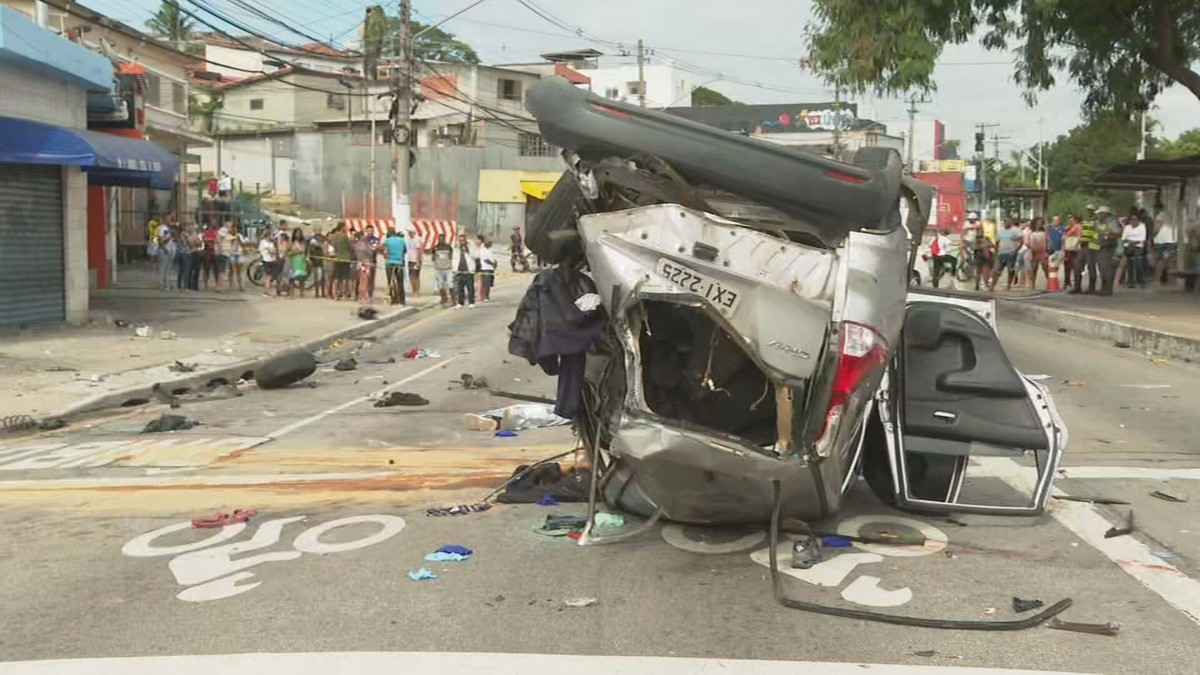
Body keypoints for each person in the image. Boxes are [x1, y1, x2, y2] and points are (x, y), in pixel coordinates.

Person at [1093, 206, 1121, 296]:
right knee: (1102, 269)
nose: (1098, 215)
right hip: (1100, 247)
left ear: (1105, 214)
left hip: (1108, 248)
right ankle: (1104, 288)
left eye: (1100, 214)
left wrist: (1108, 234)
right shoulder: (1099, 223)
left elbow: (1117, 233)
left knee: (1107, 269)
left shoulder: (1111, 222)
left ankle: (1107, 289)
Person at [990, 219, 1021, 292]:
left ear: (1011, 223)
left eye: (1009, 222)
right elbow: (997, 242)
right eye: (1006, 222)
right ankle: (992, 286)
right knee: (996, 270)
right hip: (1001, 253)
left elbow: (1021, 241)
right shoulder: (1000, 231)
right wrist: (996, 251)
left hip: (1011, 253)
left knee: (1010, 270)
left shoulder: (1015, 230)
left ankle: (1009, 285)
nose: (1007, 224)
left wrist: (1016, 250)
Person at [1121, 212, 1148, 289]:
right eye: (1131, 219)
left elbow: (1142, 239)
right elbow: (1124, 238)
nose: (1132, 221)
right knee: (1129, 265)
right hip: (1128, 247)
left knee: (1138, 265)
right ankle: (1130, 282)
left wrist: (1132, 242)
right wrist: (1129, 242)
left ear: (1138, 220)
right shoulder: (1127, 227)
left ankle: (1141, 281)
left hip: (1138, 247)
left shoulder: (1142, 227)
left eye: (1134, 219)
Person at [452, 232, 478, 309]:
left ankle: (471, 302)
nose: (461, 242)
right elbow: (454, 259)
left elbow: (476, 256)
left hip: (468, 271)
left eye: (463, 240)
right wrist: (454, 268)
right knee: (460, 288)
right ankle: (460, 303)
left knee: (470, 288)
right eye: (460, 240)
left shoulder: (471, 247)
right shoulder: (456, 248)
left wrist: (468, 250)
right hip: (459, 271)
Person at [329, 222, 353, 301]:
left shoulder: (333, 236)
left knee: (336, 278)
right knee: (345, 278)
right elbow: (350, 247)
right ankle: (344, 295)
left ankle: (336, 295)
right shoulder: (344, 236)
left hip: (336, 258)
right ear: (342, 227)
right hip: (345, 258)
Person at [1153, 210, 1177, 286]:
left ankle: (1157, 280)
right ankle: (1171, 280)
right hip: (1172, 240)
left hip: (1162, 241)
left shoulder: (1160, 215)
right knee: (1169, 260)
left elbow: (1156, 228)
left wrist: (1152, 237)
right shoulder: (1173, 216)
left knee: (1160, 261)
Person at [384, 228, 407, 306]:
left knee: (391, 282)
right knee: (400, 282)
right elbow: (405, 251)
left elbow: (383, 250)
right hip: (399, 263)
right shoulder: (402, 240)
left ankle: (393, 300)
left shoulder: (387, 240)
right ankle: (402, 300)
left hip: (389, 263)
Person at [1026, 218, 1050, 289]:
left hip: (1043, 252)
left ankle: (1049, 282)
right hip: (1033, 252)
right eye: (1038, 222)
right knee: (1033, 268)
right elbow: (1027, 242)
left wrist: (1048, 250)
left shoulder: (1044, 232)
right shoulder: (1030, 232)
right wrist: (1031, 248)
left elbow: (1047, 240)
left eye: (1041, 223)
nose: (1039, 224)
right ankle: (1033, 284)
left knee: (1045, 267)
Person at [431, 234, 454, 307]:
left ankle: (453, 299)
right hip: (439, 269)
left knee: (450, 283)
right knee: (440, 285)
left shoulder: (448, 247)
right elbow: (433, 258)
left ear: (444, 239)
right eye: (440, 239)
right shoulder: (435, 248)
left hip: (448, 269)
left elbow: (451, 257)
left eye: (442, 239)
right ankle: (444, 298)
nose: (441, 240)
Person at [353, 230, 375, 303]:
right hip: (366, 263)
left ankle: (361, 296)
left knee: (361, 281)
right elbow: (370, 253)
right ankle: (363, 297)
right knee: (365, 281)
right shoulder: (365, 245)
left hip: (359, 263)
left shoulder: (357, 245)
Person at [1062, 215, 1082, 292]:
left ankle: (1075, 284)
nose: (1070, 221)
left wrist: (1076, 244)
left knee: (1074, 266)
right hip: (1068, 248)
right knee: (1067, 265)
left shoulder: (1077, 226)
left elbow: (1079, 236)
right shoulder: (1069, 227)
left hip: (1073, 248)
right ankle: (1067, 282)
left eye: (1072, 219)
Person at [288, 228, 309, 298]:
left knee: (302, 278)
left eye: (299, 233)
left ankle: (302, 293)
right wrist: (296, 252)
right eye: (297, 233)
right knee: (292, 278)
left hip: (301, 261)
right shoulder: (291, 242)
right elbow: (288, 253)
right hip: (294, 261)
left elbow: (305, 252)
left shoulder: (303, 242)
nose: (298, 235)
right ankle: (292, 293)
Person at [258, 229, 278, 297]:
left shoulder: (271, 243)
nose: (272, 236)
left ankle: (266, 290)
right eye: (271, 235)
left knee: (271, 277)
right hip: (266, 260)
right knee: (267, 277)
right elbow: (260, 251)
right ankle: (267, 291)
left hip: (272, 260)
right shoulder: (263, 242)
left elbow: (274, 251)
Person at [308, 231, 327, 298]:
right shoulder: (312, 246)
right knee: (316, 279)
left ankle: (323, 293)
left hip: (322, 263)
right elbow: (311, 254)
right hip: (316, 263)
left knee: (323, 279)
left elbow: (325, 253)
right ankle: (317, 293)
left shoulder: (323, 245)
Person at [157, 225, 177, 290]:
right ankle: (161, 283)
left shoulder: (170, 228)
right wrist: (164, 248)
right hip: (164, 250)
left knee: (168, 268)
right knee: (163, 267)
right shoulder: (162, 228)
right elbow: (160, 239)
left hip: (170, 251)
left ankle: (167, 283)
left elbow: (174, 239)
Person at [405, 229, 424, 298]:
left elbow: (419, 251)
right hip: (410, 260)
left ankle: (417, 292)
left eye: (410, 232)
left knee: (416, 276)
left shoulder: (417, 239)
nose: (409, 233)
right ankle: (413, 290)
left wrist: (418, 261)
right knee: (411, 276)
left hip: (415, 260)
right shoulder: (408, 239)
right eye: (408, 232)